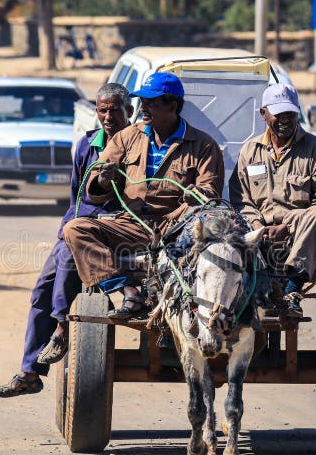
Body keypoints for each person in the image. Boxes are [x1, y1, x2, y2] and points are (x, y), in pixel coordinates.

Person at [0, 83, 133, 398]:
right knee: (42, 289)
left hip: (114, 229)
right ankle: (30, 371)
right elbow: (76, 195)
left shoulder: (137, 146)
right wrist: (69, 226)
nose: (108, 116)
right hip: (79, 224)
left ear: (130, 112)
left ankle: (61, 328)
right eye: (102, 110)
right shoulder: (87, 145)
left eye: (115, 110)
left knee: (69, 265)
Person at [62, 72, 224, 319]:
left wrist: (195, 195)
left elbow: (209, 192)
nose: (143, 108)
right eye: (142, 101)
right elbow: (94, 188)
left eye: (152, 102)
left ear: (173, 105)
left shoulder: (203, 145)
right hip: (133, 226)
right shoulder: (126, 137)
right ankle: (128, 290)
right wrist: (104, 179)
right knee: (75, 229)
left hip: (178, 230)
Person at [229, 83, 316, 318]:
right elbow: (241, 200)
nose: (285, 120)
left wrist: (288, 227)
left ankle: (293, 289)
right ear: (264, 114)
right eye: (278, 114)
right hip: (261, 234)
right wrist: (257, 227)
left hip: (309, 234)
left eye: (290, 114)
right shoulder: (250, 152)